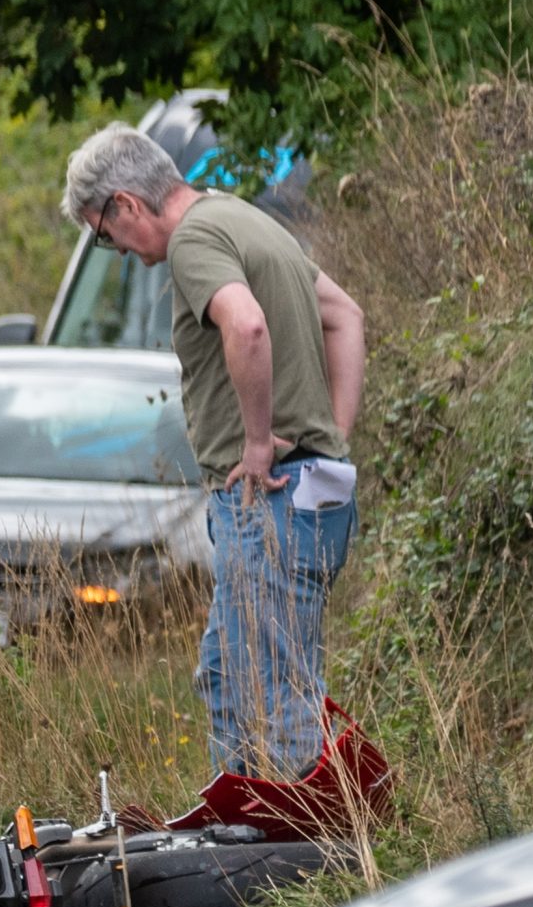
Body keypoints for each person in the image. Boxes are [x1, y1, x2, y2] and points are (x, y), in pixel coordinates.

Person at [61, 124, 366, 777]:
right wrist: (331, 444)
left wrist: (259, 443)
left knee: (268, 688)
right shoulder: (245, 221)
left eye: (104, 234)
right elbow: (345, 316)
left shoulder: (195, 240)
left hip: (270, 498)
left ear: (126, 204)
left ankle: (290, 848)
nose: (118, 250)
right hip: (311, 490)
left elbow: (246, 324)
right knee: (229, 677)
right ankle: (245, 834)